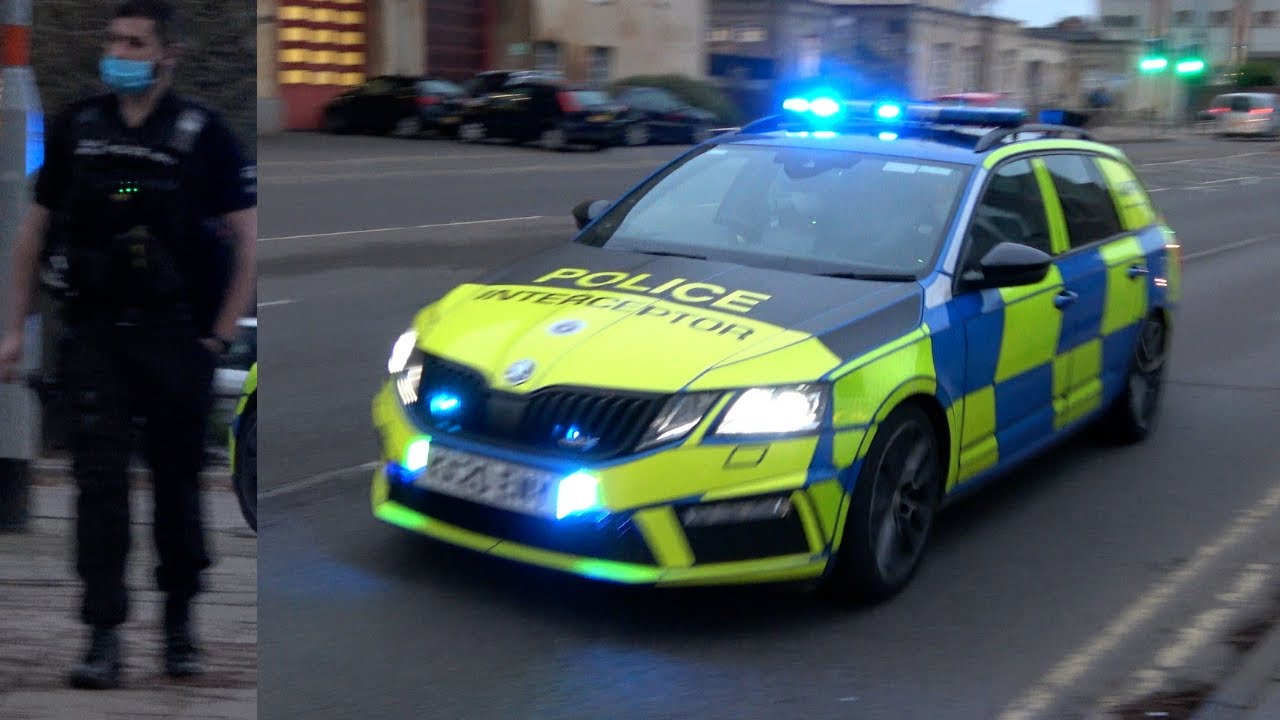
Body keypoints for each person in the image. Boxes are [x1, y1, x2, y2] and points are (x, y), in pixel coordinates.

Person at [0, 0, 256, 690]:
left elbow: (247, 241)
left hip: (176, 342)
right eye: (113, 40)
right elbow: (33, 234)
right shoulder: (77, 127)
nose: (119, 52)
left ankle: (179, 630)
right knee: (100, 491)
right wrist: (12, 331)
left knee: (177, 491)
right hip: (95, 337)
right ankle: (103, 636)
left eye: (134, 42)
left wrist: (218, 339)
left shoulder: (205, 134)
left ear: (166, 53)